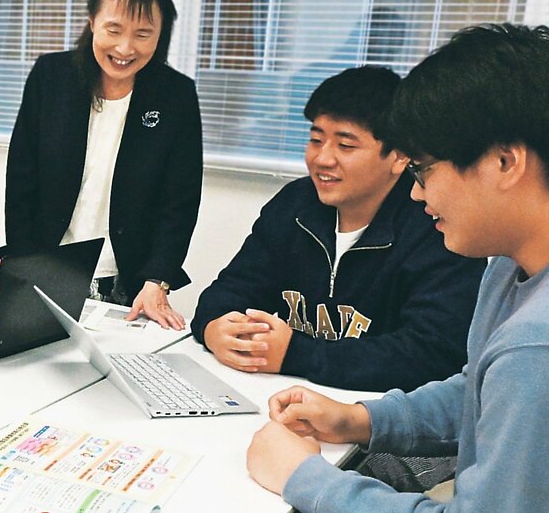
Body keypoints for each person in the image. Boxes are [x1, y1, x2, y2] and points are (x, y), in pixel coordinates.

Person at [247, 24, 549, 513]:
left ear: (505, 162)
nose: (417, 194)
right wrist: (359, 419)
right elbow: (477, 386)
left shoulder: (538, 345)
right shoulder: (511, 266)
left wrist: (305, 477)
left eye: (424, 170)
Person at [192, 66, 485, 394]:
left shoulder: (436, 224)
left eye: (346, 146)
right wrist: (214, 326)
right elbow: (231, 290)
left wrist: (296, 354)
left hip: (381, 421)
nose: (322, 159)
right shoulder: (295, 205)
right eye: (316, 140)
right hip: (287, 396)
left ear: (400, 156)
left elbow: (430, 355)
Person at [5, 0, 202, 329]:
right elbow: (21, 185)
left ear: (161, 36)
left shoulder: (176, 96)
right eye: (114, 29)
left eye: (143, 34)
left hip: (130, 282)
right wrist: (24, 267)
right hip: (50, 269)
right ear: (92, 20)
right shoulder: (51, 78)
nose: (125, 48)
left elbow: (180, 202)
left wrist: (157, 279)